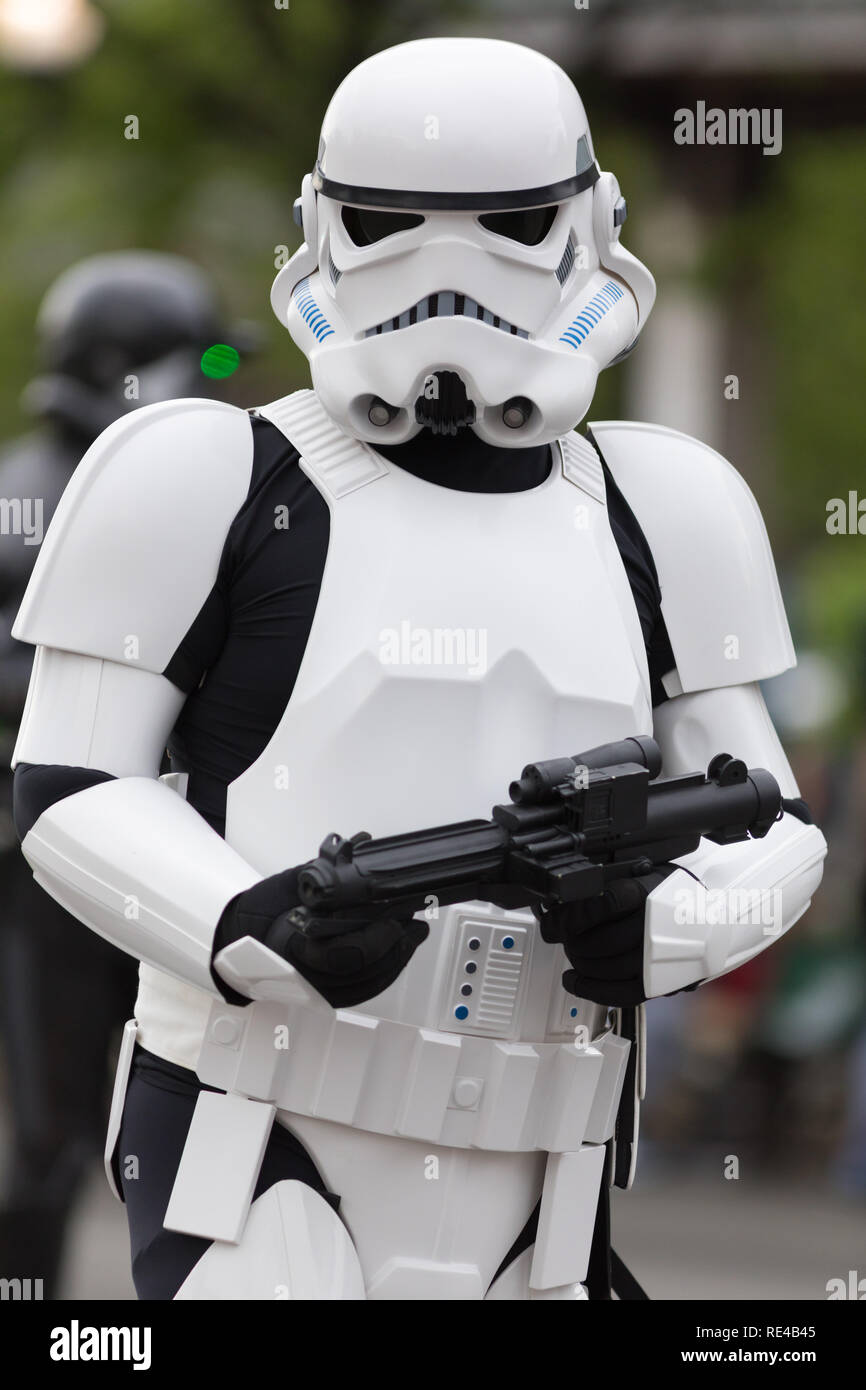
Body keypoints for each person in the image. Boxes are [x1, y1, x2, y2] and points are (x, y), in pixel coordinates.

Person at [10, 39, 826, 1300]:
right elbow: (66, 789)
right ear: (322, 227)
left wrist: (665, 925)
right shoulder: (203, 475)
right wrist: (249, 921)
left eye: (505, 226)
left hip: (547, 1170)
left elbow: (765, 813)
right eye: (391, 225)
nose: (450, 279)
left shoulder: (661, 505)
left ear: (588, 228)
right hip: (258, 1135)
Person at [0, 251, 243, 1296]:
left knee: (171, 1118)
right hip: (53, 870)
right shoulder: (38, 500)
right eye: (210, 359)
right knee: (59, 1130)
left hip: (159, 860)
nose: (225, 383)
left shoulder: (180, 493)